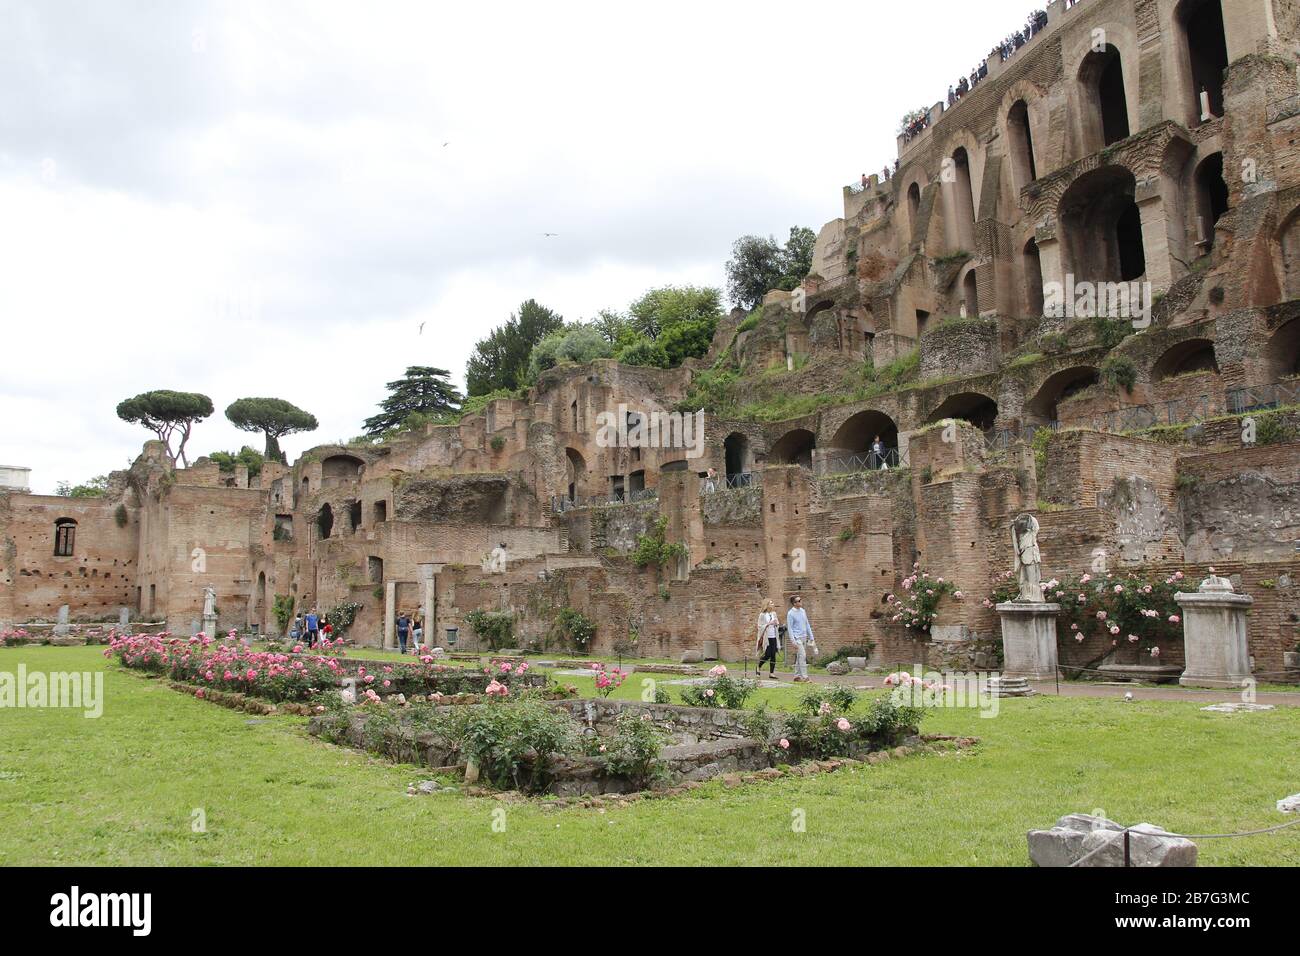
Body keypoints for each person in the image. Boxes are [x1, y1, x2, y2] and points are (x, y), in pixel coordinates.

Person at [786, 595, 815, 683]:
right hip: (797, 638)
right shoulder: (790, 613)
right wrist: (793, 641)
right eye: (799, 600)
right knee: (803, 656)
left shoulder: (803, 611)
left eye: (800, 600)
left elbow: (807, 624)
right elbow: (790, 628)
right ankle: (805, 677)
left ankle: (796, 676)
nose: (801, 601)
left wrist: (811, 637)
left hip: (804, 636)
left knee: (800, 657)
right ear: (794, 603)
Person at [754, 599, 781, 678]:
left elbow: (777, 624)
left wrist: (776, 624)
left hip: (774, 636)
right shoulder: (762, 615)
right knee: (767, 654)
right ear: (767, 605)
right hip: (767, 637)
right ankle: (758, 667)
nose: (773, 604)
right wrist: (768, 624)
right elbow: (759, 626)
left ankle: (771, 673)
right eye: (771, 603)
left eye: (772, 603)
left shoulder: (774, 614)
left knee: (773, 655)